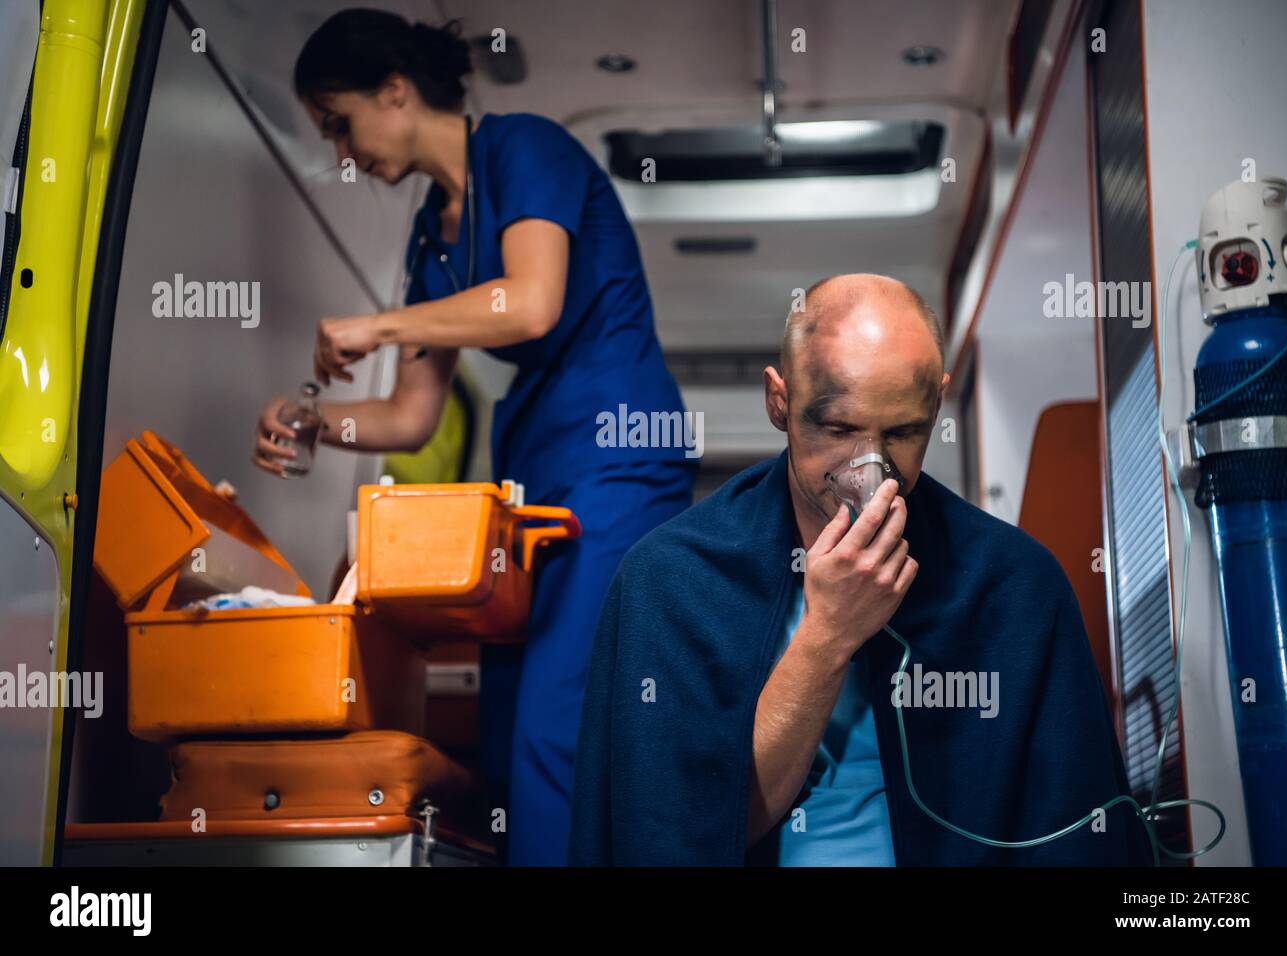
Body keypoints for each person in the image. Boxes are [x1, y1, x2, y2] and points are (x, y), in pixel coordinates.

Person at [253, 9, 696, 865]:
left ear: (395, 89)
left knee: (552, 724)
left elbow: (530, 302)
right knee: (503, 731)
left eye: (340, 124)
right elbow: (410, 416)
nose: (343, 153)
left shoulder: (524, 148)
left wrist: (378, 326)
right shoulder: (430, 238)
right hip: (536, 468)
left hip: (616, 453)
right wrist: (313, 422)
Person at [569, 274, 1149, 865]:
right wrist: (828, 636)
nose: (870, 471)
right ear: (779, 401)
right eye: (839, 429)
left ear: (937, 404)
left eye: (901, 433)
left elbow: (1074, 830)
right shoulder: (673, 578)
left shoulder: (1013, 583)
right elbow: (690, 834)